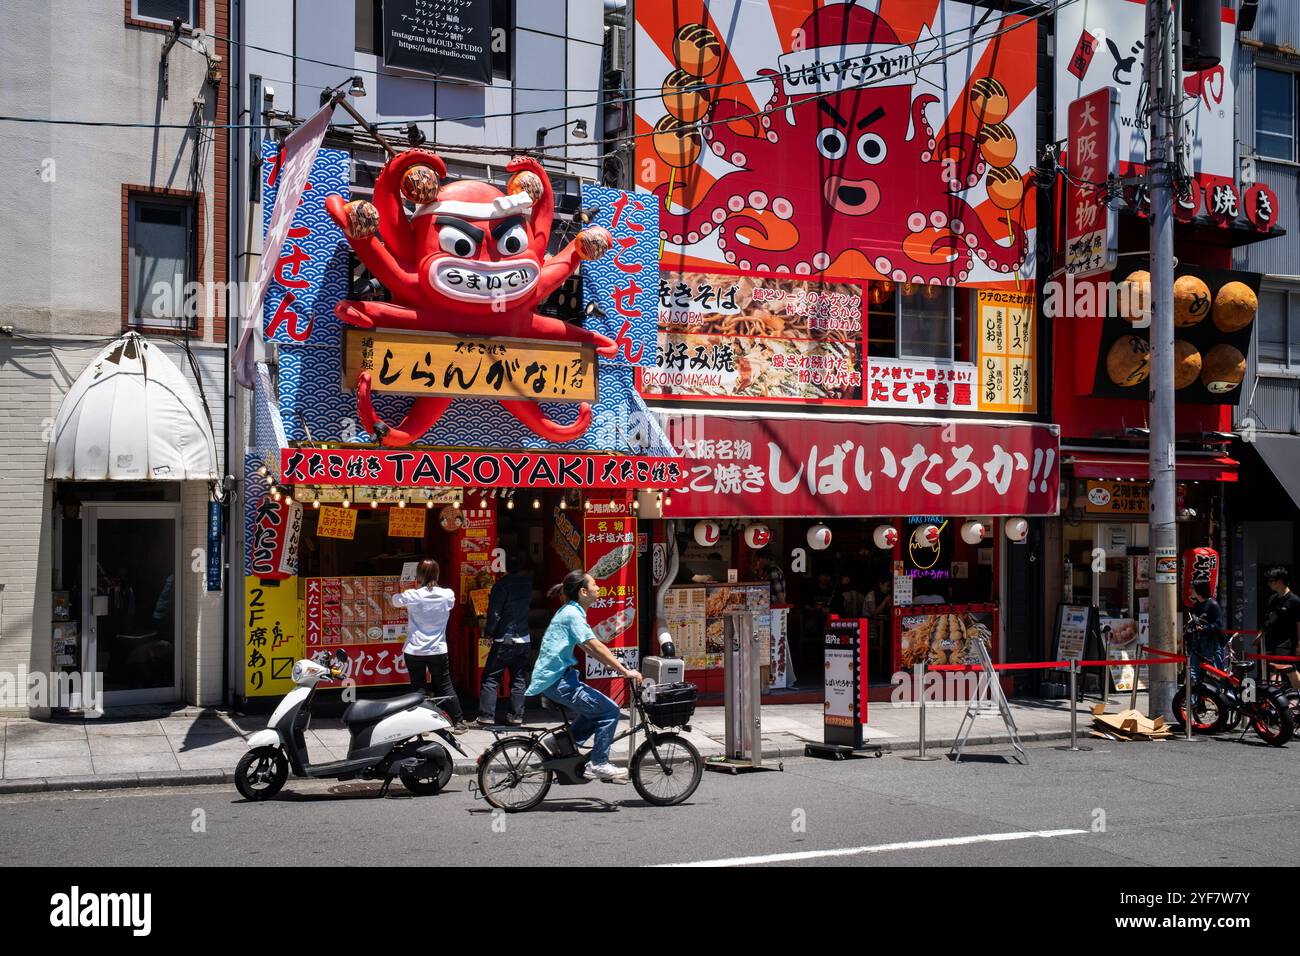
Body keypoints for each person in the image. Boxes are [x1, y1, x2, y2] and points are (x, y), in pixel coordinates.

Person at [525, 570, 642, 782]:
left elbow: (589, 648)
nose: (598, 588)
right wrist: (624, 671)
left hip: (558, 679)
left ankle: (562, 741)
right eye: (595, 585)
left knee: (594, 711)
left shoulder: (571, 611)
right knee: (609, 712)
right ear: (583, 591)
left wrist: (614, 664)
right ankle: (598, 764)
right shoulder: (572, 614)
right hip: (558, 681)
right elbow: (594, 644)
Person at [391, 559, 467, 734]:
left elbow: (395, 600)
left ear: (419, 575)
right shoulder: (448, 594)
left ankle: (422, 725)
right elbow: (450, 604)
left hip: (414, 648)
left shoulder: (413, 595)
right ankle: (459, 721)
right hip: (438, 648)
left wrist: (404, 587)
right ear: (437, 574)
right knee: (445, 685)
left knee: (418, 688)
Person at [476, 552, 534, 727]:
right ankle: (516, 716)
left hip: (505, 639)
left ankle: (486, 716)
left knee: (491, 678)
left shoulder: (501, 585)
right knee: (518, 678)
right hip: (524, 638)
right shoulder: (527, 584)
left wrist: (490, 632)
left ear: (504, 566)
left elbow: (495, 612)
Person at [1262, 567, 1300, 687]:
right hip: (1273, 640)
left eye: (1271, 581)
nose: (1269, 584)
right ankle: (1274, 698)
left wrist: (1299, 644)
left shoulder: (1294, 600)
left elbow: (1299, 623)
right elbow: (1268, 618)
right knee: (1274, 668)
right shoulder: (1273, 599)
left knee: (1288, 670)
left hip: (1287, 642)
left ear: (1279, 582)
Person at [1189, 580, 1226, 692]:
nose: (1190, 590)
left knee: (1216, 673)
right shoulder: (1196, 605)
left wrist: (1205, 628)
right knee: (1193, 672)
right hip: (1197, 643)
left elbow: (1219, 624)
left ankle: (1222, 699)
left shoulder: (1213, 604)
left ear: (1199, 590)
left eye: (1193, 588)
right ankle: (1194, 703)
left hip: (1212, 643)